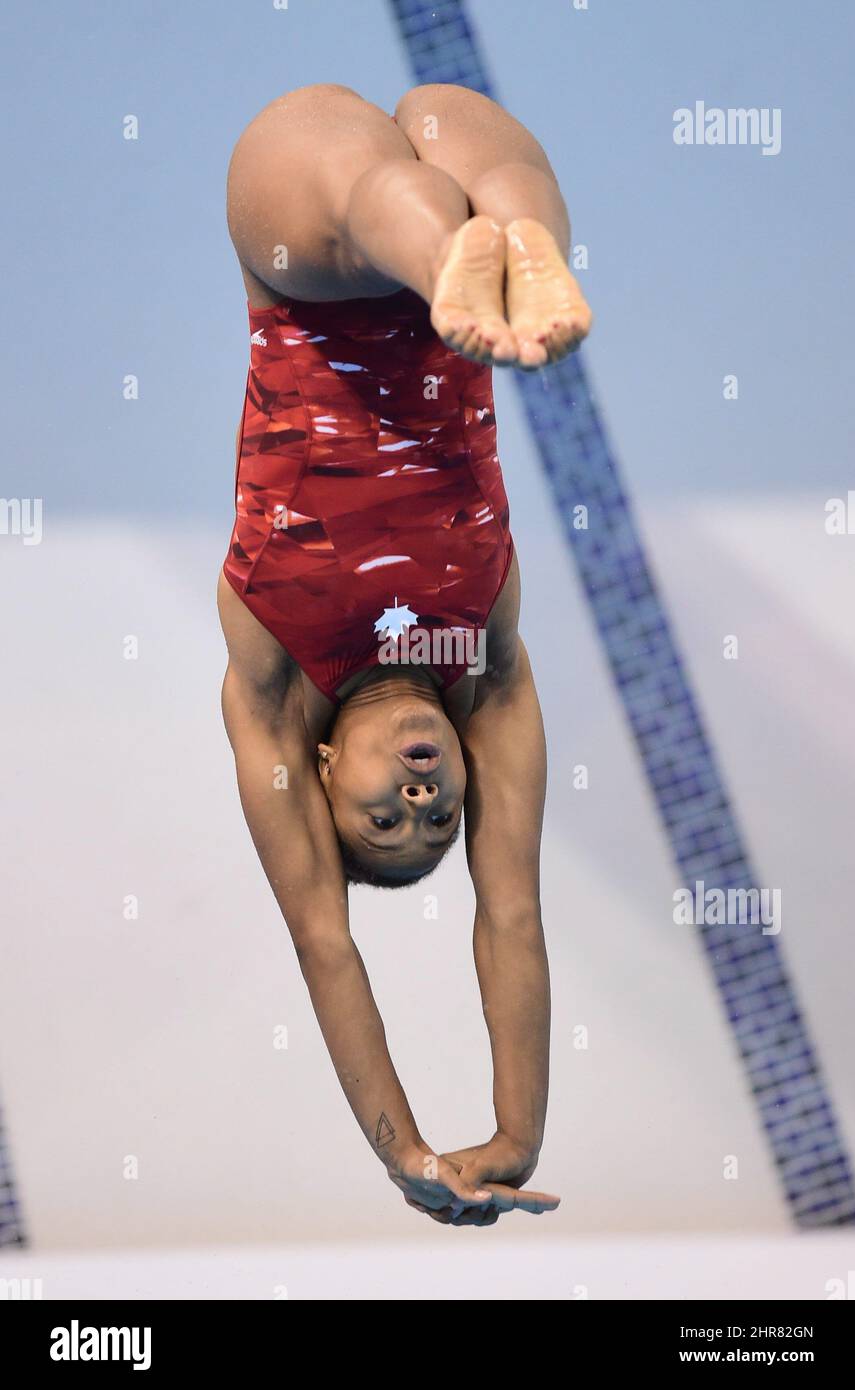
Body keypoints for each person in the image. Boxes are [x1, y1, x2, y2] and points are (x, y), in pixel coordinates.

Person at [217, 82, 591, 1225]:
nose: (426, 800)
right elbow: (513, 911)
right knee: (491, 182)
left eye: (387, 816)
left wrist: (405, 1153)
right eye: (440, 820)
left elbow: (324, 939)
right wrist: (517, 1129)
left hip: (307, 270)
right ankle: (513, 255)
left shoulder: (277, 686)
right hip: (449, 232)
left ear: (323, 774)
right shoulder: (488, 670)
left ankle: (457, 265)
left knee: (377, 194)